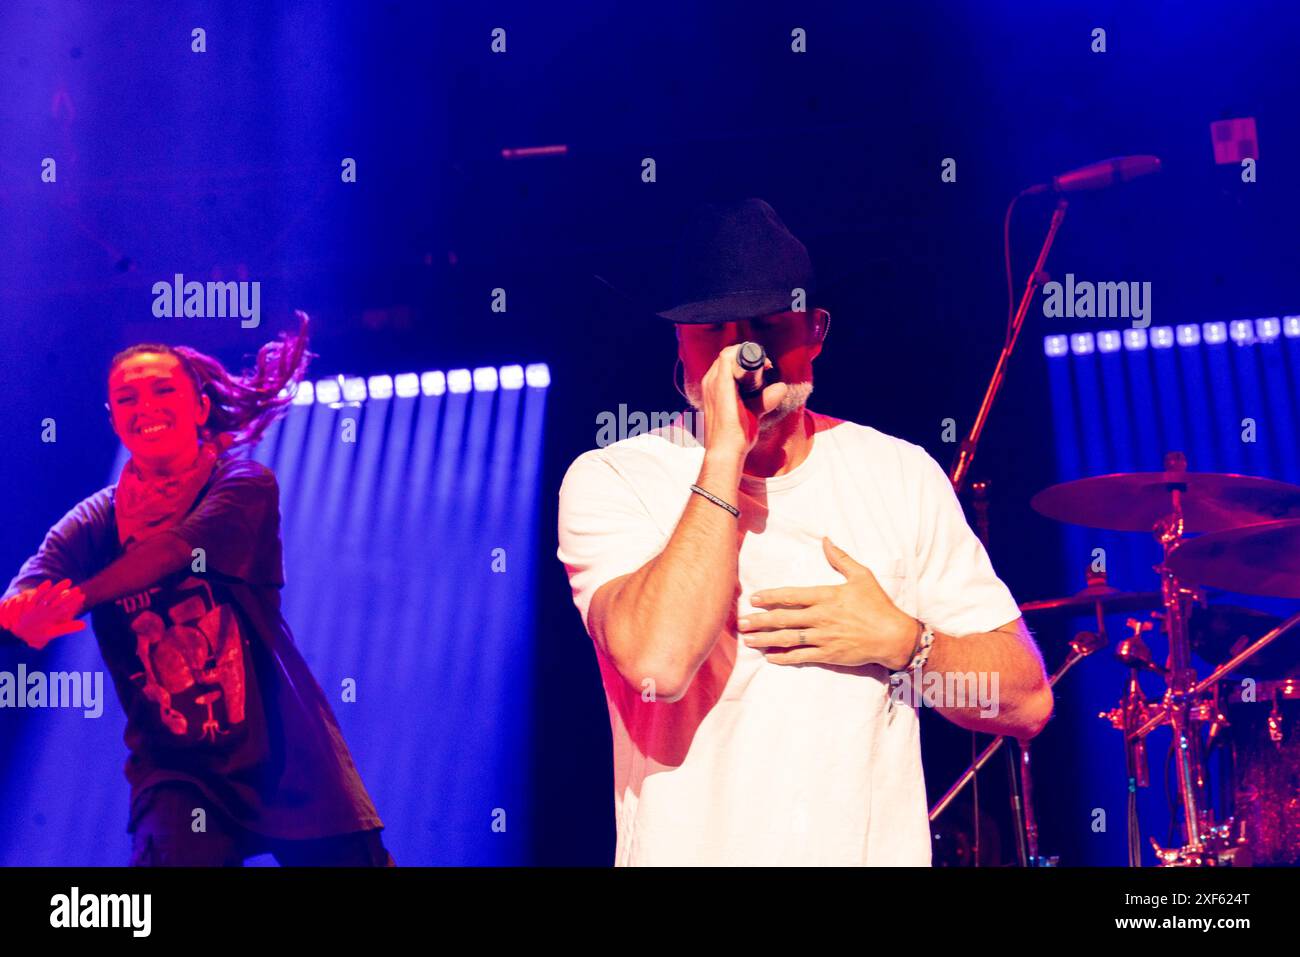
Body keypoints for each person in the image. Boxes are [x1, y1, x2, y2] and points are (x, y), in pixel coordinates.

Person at [557, 199, 1053, 865]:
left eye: (766, 326)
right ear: (679, 343)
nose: (745, 355)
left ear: (815, 330)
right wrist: (725, 455)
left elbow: (1026, 700)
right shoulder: (614, 478)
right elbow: (659, 662)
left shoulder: (899, 475)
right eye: (715, 331)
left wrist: (906, 643)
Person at [0, 315, 393, 866]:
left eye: (164, 390)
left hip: (288, 753)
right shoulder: (92, 520)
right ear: (114, 418)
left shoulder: (243, 485)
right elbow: (31, 584)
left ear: (200, 408)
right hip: (178, 771)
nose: (147, 407)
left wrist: (76, 601)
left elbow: (173, 554)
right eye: (128, 398)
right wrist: (19, 617)